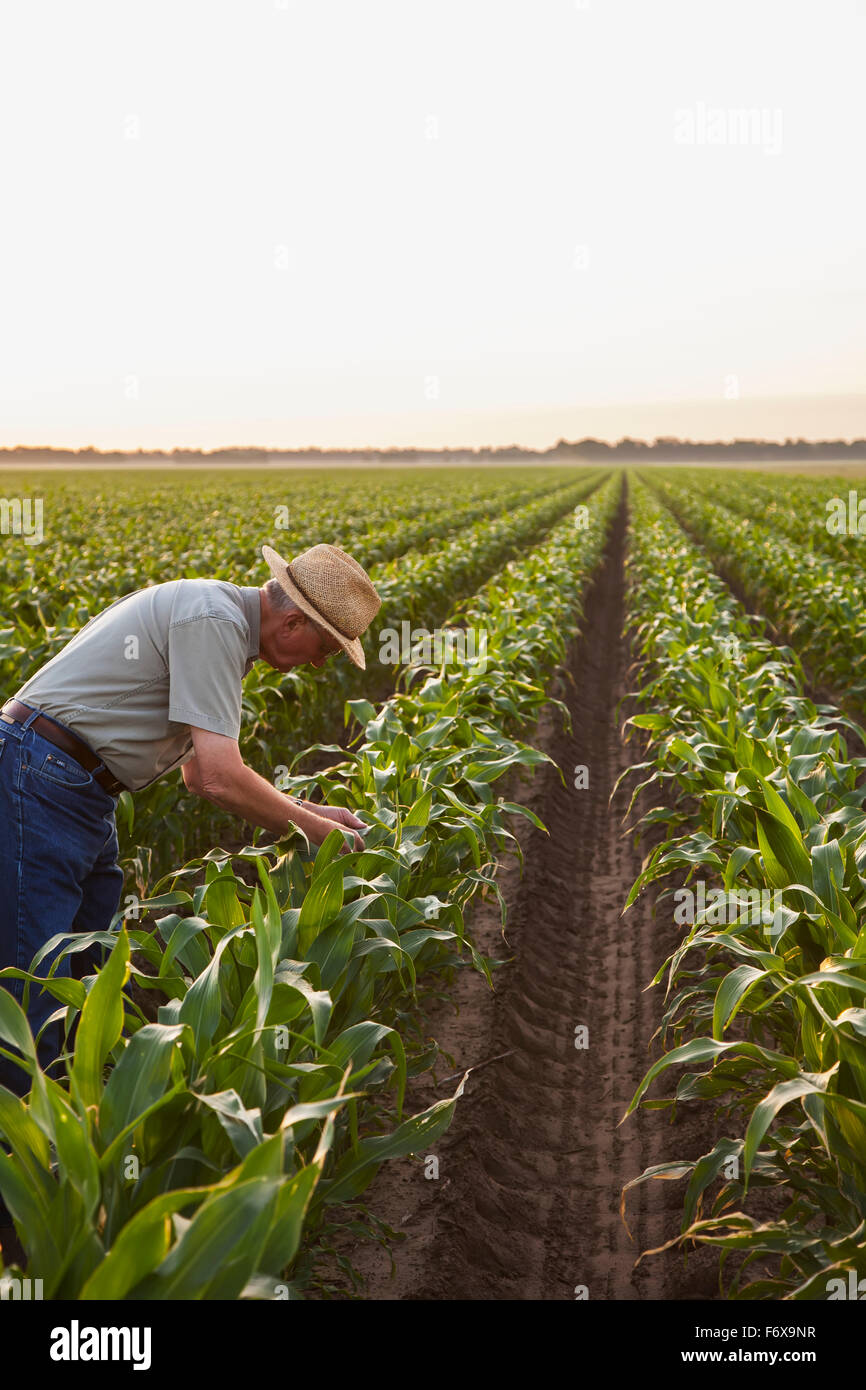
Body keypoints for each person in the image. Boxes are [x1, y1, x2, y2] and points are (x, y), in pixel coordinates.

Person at [0, 541, 381, 1098]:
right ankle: (24, 1149)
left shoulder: (223, 625)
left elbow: (200, 776)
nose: (321, 664)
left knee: (89, 969)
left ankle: (76, 1114)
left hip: (74, 788)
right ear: (294, 621)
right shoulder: (215, 621)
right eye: (324, 648)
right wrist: (319, 834)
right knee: (34, 978)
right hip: (39, 779)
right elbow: (223, 777)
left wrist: (309, 812)